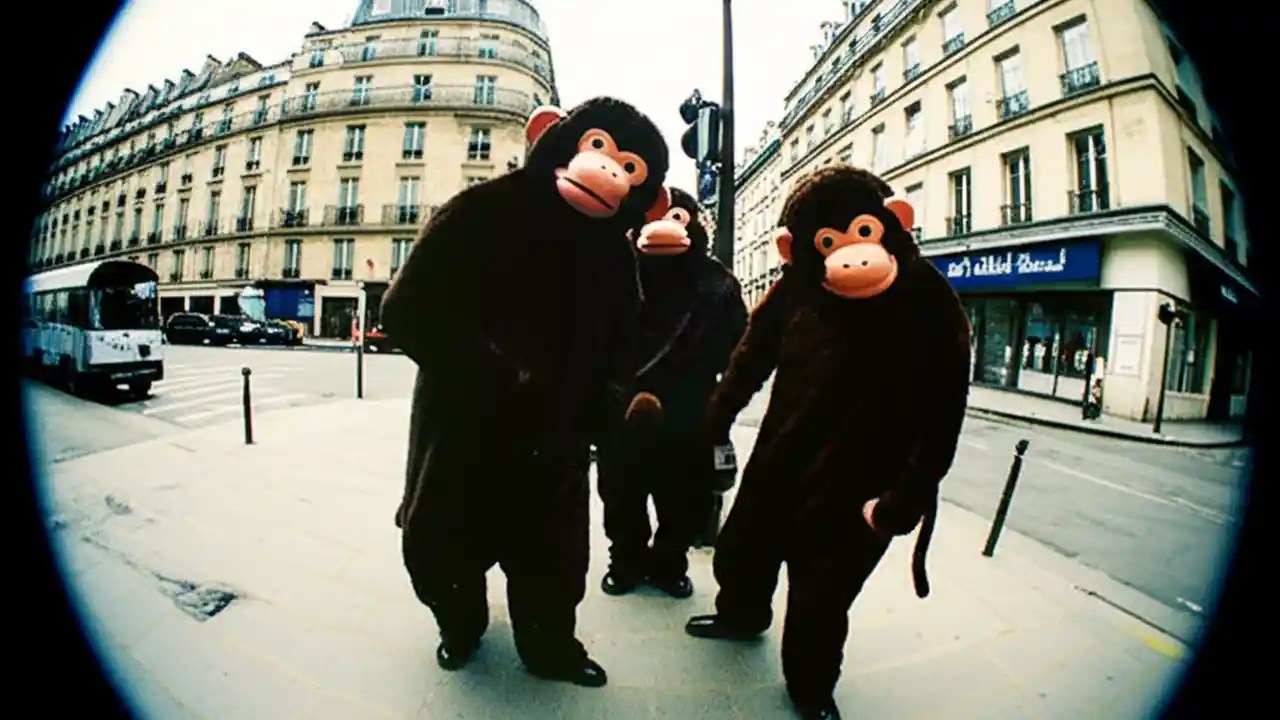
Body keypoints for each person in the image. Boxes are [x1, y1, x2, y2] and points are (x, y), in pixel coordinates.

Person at [597, 186, 747, 599]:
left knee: (681, 497)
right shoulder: (614, 274)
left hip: (688, 409)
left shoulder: (716, 282)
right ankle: (626, 561)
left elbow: (737, 344)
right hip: (623, 406)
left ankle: (668, 564)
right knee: (621, 494)